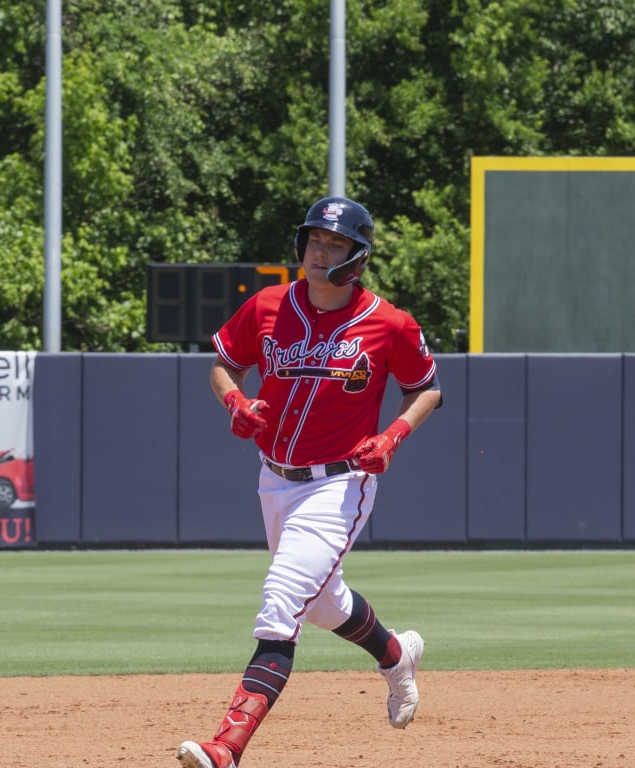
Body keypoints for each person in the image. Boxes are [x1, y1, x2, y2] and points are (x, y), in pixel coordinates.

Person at [177, 196, 443, 768]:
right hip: (274, 479)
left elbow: (426, 388)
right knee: (323, 604)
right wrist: (234, 401)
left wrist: (392, 436)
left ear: (358, 257)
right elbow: (224, 365)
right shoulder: (269, 305)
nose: (321, 252)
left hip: (340, 483)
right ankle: (396, 655)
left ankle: (227, 746)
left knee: (281, 602)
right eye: (315, 240)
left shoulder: (389, 323)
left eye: (336, 244)